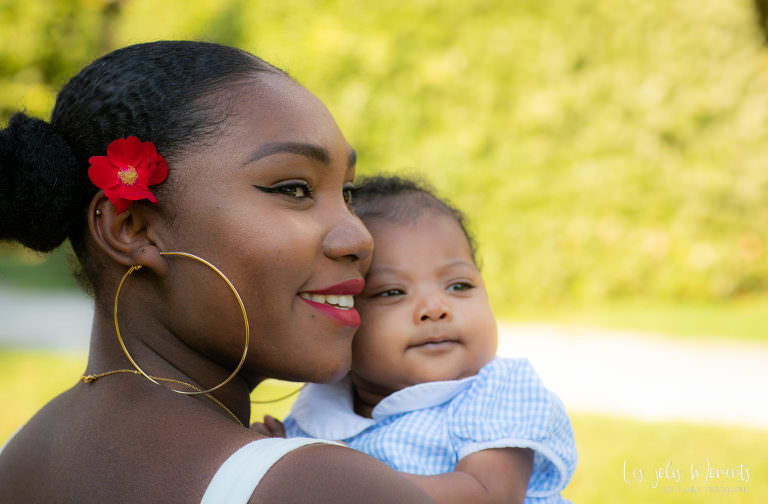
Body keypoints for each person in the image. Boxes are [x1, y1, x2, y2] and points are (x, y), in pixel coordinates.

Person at [0, 41, 434, 503]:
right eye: (294, 189)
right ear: (133, 228)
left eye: (348, 193)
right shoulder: (323, 487)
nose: (359, 238)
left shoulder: (18, 456)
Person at [276, 176, 578, 503]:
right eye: (392, 292)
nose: (435, 309)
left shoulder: (496, 392)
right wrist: (276, 454)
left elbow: (488, 495)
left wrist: (340, 481)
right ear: (342, 314)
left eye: (459, 286)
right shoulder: (317, 413)